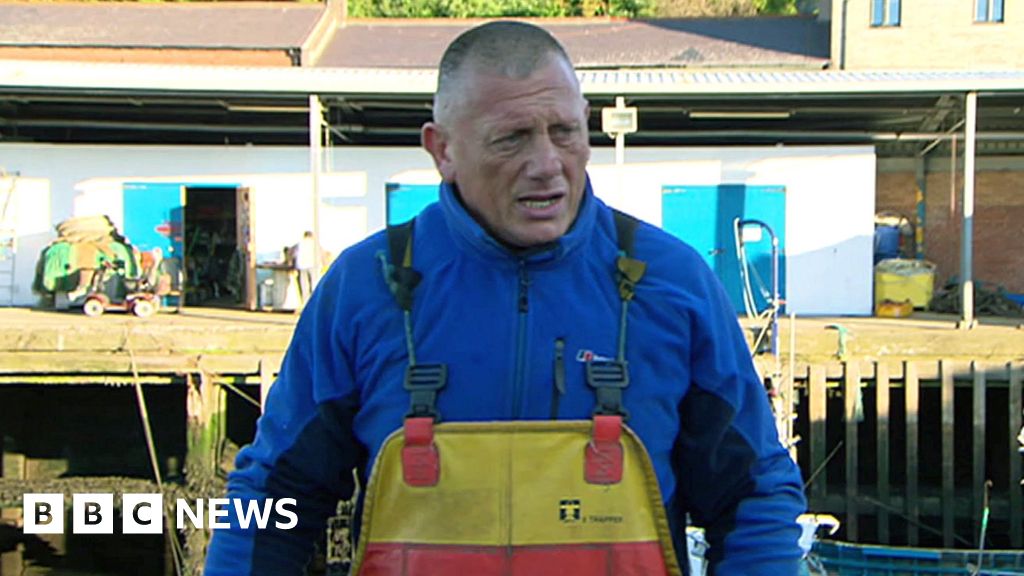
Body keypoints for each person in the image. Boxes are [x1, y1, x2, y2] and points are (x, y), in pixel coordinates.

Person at [205, 21, 806, 576]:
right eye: (511, 139)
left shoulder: (673, 282)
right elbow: (273, 498)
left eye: (564, 131)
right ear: (442, 149)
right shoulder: (367, 287)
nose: (547, 165)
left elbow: (754, 496)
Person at [290, 230, 318, 309]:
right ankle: (315, 301)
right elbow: (321, 254)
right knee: (314, 283)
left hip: (301, 265)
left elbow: (293, 254)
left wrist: (293, 265)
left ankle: (306, 303)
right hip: (313, 264)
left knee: (304, 284)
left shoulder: (299, 244)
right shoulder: (314, 244)